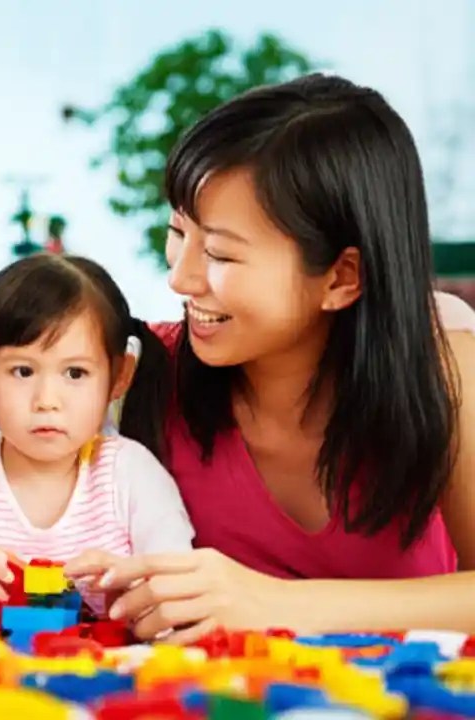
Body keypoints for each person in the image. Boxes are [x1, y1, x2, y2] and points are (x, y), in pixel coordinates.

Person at [65, 73, 475, 640]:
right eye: (176, 233)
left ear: (340, 277)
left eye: (219, 254)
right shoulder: (143, 374)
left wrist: (278, 604)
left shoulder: (445, 373)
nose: (179, 278)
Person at [0, 253, 194, 610]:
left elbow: (180, 580)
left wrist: (130, 584)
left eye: (75, 373)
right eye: (23, 372)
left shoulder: (133, 473)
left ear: (120, 375)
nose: (46, 401)